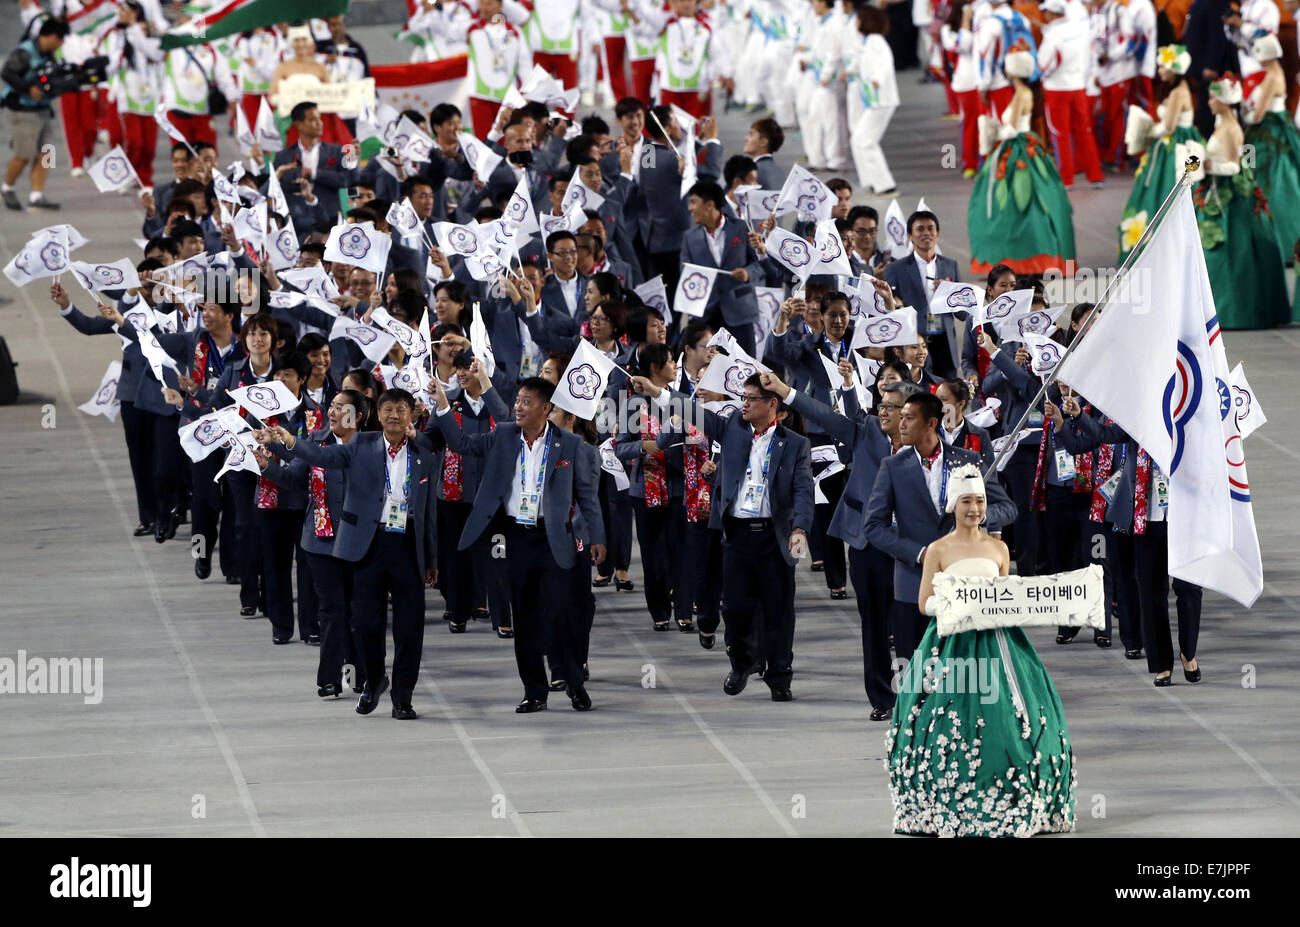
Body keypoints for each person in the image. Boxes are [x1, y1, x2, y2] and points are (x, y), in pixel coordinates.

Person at [886, 463, 1076, 837]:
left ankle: (1013, 797)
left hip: (999, 642)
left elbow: (1004, 595)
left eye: (980, 501)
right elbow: (924, 601)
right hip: (951, 644)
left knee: (1010, 719)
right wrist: (958, 604)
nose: (974, 509)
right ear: (953, 505)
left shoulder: (999, 548)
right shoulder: (938, 550)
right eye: (967, 501)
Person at [260, 388, 439, 720]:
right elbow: (324, 458)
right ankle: (375, 679)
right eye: (388, 409)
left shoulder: (424, 454)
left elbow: (430, 512)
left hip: (407, 545)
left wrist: (431, 558)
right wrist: (290, 441)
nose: (394, 415)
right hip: (368, 545)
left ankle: (403, 697)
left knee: (410, 628)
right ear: (378, 414)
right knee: (363, 623)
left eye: (401, 409)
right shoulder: (361, 445)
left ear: (410, 416)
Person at [433, 375, 606, 713]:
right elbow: (462, 444)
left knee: (560, 613)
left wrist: (596, 537)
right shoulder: (503, 435)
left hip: (555, 537)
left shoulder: (570, 445)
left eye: (527, 401)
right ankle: (534, 691)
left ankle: (574, 683)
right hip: (517, 536)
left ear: (546, 408)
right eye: (517, 400)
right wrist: (441, 405)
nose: (518, 407)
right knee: (524, 617)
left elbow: (587, 495)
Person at [639, 372, 814, 701]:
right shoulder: (732, 427)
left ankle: (779, 676)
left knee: (778, 612)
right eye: (743, 398)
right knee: (735, 608)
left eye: (751, 399)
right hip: (736, 535)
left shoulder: (795, 445)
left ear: (772, 404)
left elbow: (803, 490)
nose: (743, 404)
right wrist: (657, 392)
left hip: (774, 539)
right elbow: (695, 412)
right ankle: (742, 664)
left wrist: (800, 528)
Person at [761, 366, 898, 720]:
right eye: (881, 404)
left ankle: (918, 695)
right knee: (874, 626)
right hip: (869, 544)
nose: (883, 411)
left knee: (909, 625)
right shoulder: (867, 429)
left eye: (892, 406)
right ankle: (882, 698)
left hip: (911, 549)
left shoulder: (931, 445)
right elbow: (824, 415)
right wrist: (785, 391)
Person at [865, 391, 1017, 662]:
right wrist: (921, 554)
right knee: (914, 669)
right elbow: (874, 526)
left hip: (965, 586)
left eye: (909, 418)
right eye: (901, 417)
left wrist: (975, 515)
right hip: (913, 585)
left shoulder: (968, 460)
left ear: (932, 423)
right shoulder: (892, 467)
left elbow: (1007, 508)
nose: (901, 424)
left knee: (964, 670)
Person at [256, 389, 371, 697]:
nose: (332, 412)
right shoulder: (315, 441)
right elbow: (293, 478)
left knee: (359, 611)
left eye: (341, 408)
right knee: (332, 609)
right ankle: (329, 678)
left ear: (358, 416)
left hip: (360, 542)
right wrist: (267, 466)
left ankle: (361, 673)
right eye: (331, 406)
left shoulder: (371, 445)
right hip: (321, 541)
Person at [967, 40, 1076, 276]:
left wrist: (991, 132)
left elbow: (1012, 129)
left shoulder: (1020, 94)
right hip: (1027, 147)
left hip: (1016, 148)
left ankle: (1021, 258)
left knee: (1012, 202)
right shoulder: (1026, 91)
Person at [1192, 74, 1290, 329]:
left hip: (1229, 199)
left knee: (1231, 252)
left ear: (1225, 101)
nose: (1209, 102)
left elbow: (1235, 166)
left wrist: (1207, 166)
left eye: (1213, 98)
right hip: (1218, 193)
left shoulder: (1231, 129)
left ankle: (1232, 309)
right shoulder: (1224, 124)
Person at [1117, 44, 1202, 258]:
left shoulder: (1178, 93)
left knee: (1165, 190)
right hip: (1173, 144)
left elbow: (1169, 127)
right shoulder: (1179, 90)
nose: (1159, 70)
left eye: (1163, 66)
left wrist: (1146, 130)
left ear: (1174, 69)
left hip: (1174, 148)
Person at [680, 180, 762, 357]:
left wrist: (747, 273)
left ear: (709, 205)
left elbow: (760, 264)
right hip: (705, 316)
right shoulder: (689, 237)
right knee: (709, 369)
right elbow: (684, 272)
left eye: (693, 202)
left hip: (739, 311)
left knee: (745, 366)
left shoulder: (742, 228)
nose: (690, 208)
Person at [882, 210, 964, 378]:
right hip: (913, 345)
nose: (926, 233)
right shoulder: (895, 269)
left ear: (937, 234)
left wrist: (950, 294)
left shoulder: (951, 266)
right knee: (917, 390)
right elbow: (888, 311)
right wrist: (896, 303)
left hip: (945, 345)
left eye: (930, 228)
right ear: (910, 236)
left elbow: (963, 313)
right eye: (920, 229)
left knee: (948, 391)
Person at [1242, 34, 1300, 264]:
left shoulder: (1271, 77)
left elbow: (1258, 114)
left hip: (1267, 132)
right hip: (1278, 128)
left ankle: (1278, 241)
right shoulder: (1276, 73)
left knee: (1266, 181)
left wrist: (1243, 115)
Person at [1, 17, 68, 211]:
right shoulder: (25, 52)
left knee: (47, 153)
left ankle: (37, 195)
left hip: (43, 109)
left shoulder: (49, 55)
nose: (61, 44)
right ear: (54, 37)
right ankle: (7, 187)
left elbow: (46, 78)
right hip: (22, 110)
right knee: (24, 155)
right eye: (60, 40)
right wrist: (28, 89)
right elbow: (7, 73)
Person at [1037, 0, 1104, 189]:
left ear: (1051, 13)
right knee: (1085, 131)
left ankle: (1066, 178)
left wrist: (1041, 75)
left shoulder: (1052, 34)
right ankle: (1095, 175)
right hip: (1078, 86)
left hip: (1057, 89)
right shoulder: (1079, 29)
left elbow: (1044, 65)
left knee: (1060, 133)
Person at [845, 6, 900, 194]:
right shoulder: (867, 41)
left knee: (865, 140)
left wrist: (878, 79)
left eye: (858, 18)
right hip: (873, 99)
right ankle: (870, 179)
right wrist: (850, 71)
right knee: (858, 140)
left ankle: (885, 184)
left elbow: (885, 63)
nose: (855, 22)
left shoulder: (876, 41)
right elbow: (861, 61)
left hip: (881, 99)